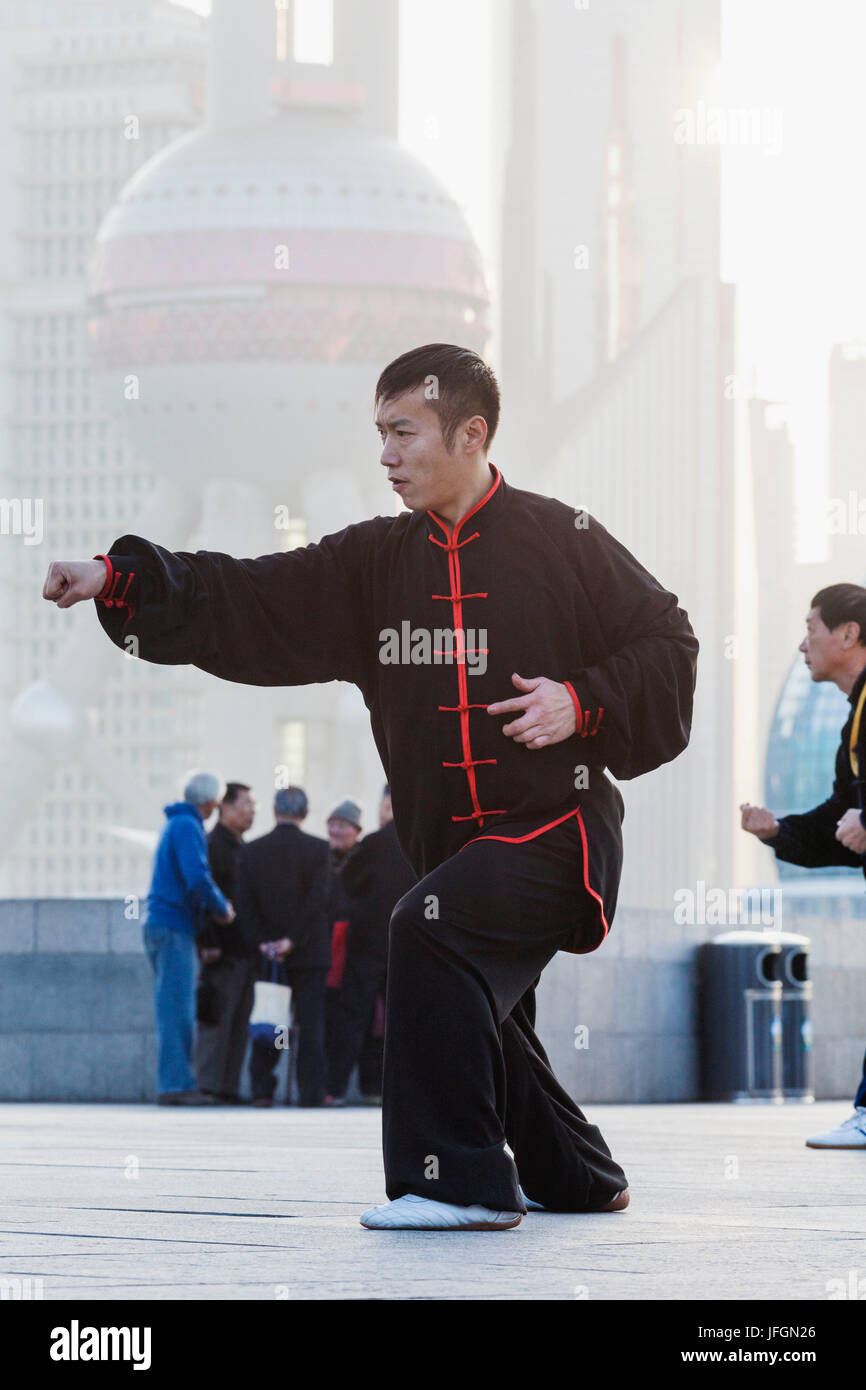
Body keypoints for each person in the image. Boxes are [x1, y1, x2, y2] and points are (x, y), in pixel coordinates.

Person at [42, 342, 698, 1228]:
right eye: (377, 434)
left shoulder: (563, 539)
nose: (384, 456)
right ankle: (582, 1176)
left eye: (403, 433)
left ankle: (454, 1182)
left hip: (560, 835)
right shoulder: (373, 564)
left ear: (471, 433)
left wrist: (583, 700)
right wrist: (119, 579)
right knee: (485, 1017)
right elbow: (249, 593)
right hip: (456, 849)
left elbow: (669, 642)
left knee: (427, 930)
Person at [741, 583, 866, 1150]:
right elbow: (842, 819)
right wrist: (779, 832)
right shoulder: (856, 717)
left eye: (811, 629)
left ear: (848, 633)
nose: (801, 645)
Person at [141, 770, 235, 1105]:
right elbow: (197, 877)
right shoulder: (188, 826)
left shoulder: (176, 823)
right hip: (173, 926)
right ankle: (176, 1085)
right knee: (177, 1010)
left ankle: (176, 1082)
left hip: (164, 925)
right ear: (211, 801)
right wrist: (222, 907)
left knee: (172, 1006)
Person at [235, 787, 331, 1108]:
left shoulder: (251, 851)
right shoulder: (319, 850)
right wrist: (293, 940)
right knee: (311, 1023)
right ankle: (311, 1092)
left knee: (271, 1019)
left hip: (267, 957)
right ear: (305, 813)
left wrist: (263, 942)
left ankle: (263, 1090)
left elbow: (244, 904)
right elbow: (318, 903)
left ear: (275, 811)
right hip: (308, 953)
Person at [327, 784, 416, 1105]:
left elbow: (344, 886)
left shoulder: (373, 844)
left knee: (353, 1017)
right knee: (396, 1022)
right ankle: (381, 1090)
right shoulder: (421, 844)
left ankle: (334, 1088)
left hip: (366, 943)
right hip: (408, 947)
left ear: (386, 805)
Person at [194, 781, 257, 1104]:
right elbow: (202, 894)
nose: (252, 811)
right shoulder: (211, 845)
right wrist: (206, 941)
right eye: (245, 804)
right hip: (220, 951)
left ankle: (229, 1087)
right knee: (216, 1021)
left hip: (245, 950)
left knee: (238, 1023)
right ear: (225, 807)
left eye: (253, 805)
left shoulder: (242, 847)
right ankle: (207, 1086)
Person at [323, 799, 362, 1098]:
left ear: (356, 831)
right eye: (332, 824)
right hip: (323, 949)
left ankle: (338, 1086)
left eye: (343, 825)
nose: (336, 830)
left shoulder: (365, 858)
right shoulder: (319, 857)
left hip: (356, 950)